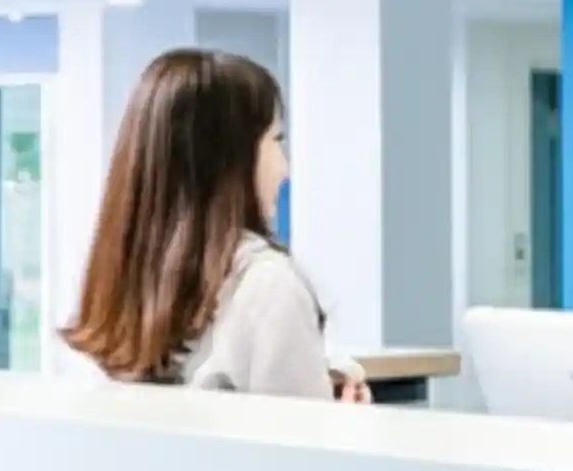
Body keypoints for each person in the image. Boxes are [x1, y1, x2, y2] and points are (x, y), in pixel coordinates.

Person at [62, 48, 370, 402]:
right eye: (276, 141)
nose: (284, 169)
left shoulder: (117, 287)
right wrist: (345, 421)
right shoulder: (270, 287)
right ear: (228, 161)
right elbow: (304, 436)